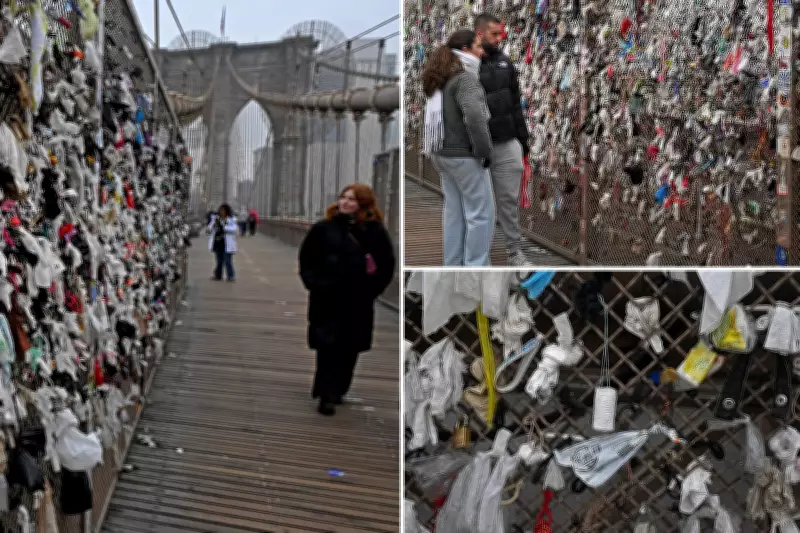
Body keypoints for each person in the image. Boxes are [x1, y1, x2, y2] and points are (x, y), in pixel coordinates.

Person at [298, 183, 396, 416]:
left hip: (357, 301)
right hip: (327, 298)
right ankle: (325, 395)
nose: (345, 202)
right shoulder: (323, 229)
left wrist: (370, 292)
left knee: (349, 348)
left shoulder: (374, 232)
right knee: (327, 347)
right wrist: (315, 283)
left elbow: (386, 266)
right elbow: (307, 259)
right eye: (343, 197)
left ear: (363, 204)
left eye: (352, 199)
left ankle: (339, 389)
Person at [421, 29, 495, 267]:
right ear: (465, 50)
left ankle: (452, 263)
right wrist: (484, 151)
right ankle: (476, 265)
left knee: (454, 212)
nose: (482, 52)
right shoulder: (465, 79)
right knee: (480, 214)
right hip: (464, 155)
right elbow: (474, 117)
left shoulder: (440, 78)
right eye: (478, 46)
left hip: (440, 153)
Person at [474, 14, 533, 267]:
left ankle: (515, 251)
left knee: (508, 200)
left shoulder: (506, 63)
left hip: (507, 141)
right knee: (480, 203)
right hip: (478, 146)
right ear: (480, 34)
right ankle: (478, 255)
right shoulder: (467, 64)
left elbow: (515, 105)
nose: (500, 39)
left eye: (501, 34)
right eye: (494, 34)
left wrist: (523, 140)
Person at [208, 203, 238, 282]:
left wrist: (223, 226)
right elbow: (209, 228)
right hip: (218, 242)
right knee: (219, 261)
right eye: (221, 210)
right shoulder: (216, 218)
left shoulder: (232, 219)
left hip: (227, 243)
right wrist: (214, 224)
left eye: (224, 210)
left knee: (227, 261)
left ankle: (231, 276)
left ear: (227, 211)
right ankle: (218, 275)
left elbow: (234, 229)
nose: (222, 212)